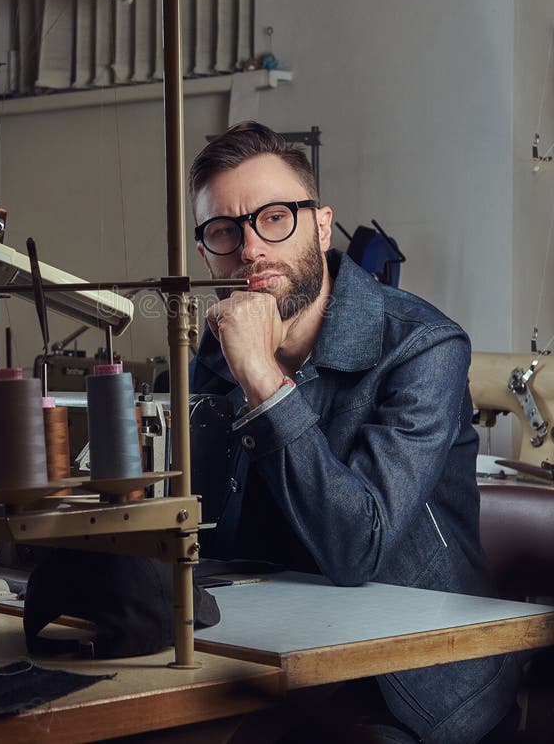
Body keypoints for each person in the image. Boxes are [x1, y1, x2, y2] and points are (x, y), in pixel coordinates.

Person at [188, 121, 519, 744]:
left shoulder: (422, 347)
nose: (251, 249)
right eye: (225, 231)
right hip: (264, 647)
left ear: (318, 224)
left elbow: (354, 549)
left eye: (275, 217)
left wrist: (262, 378)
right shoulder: (214, 348)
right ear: (206, 252)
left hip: (408, 680)